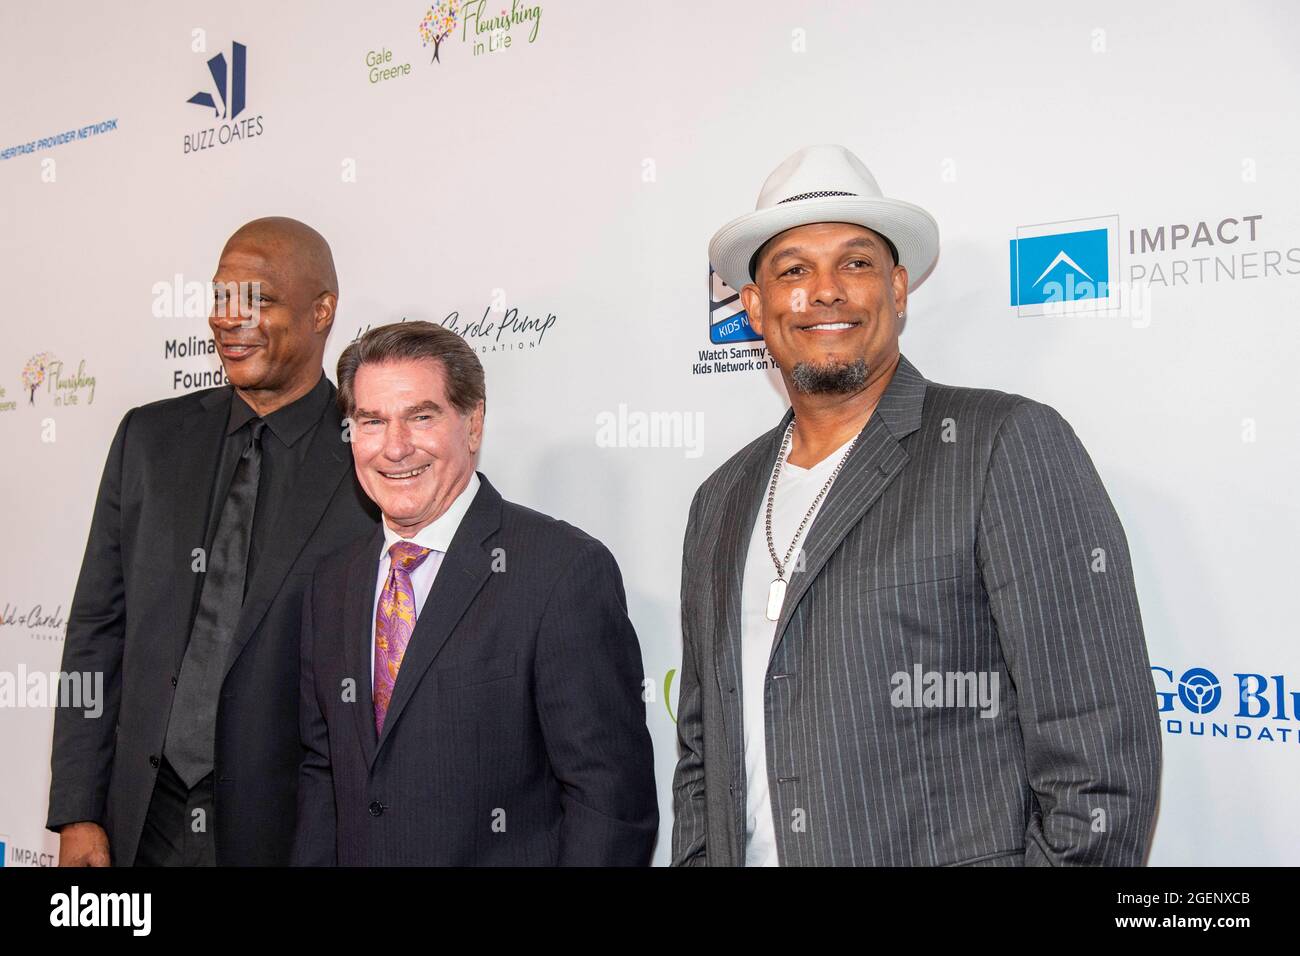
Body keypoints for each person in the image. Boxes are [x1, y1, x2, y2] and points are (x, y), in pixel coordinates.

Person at [671, 144, 1162, 866]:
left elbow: (1097, 752)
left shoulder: (1003, 447)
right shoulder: (721, 499)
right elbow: (701, 751)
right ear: (755, 306)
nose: (826, 291)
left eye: (856, 263)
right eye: (794, 270)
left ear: (898, 290)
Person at [48, 217, 378, 866]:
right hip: (140, 818)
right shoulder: (147, 440)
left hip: (289, 833)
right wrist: (79, 809)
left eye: (256, 299)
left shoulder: (371, 461)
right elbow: (96, 627)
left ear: (322, 311)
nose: (228, 318)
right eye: (221, 297)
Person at [292, 320, 657, 865]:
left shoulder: (561, 572)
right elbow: (324, 774)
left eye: (421, 416)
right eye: (371, 421)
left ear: (473, 423)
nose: (395, 448)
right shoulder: (331, 584)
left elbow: (609, 802)